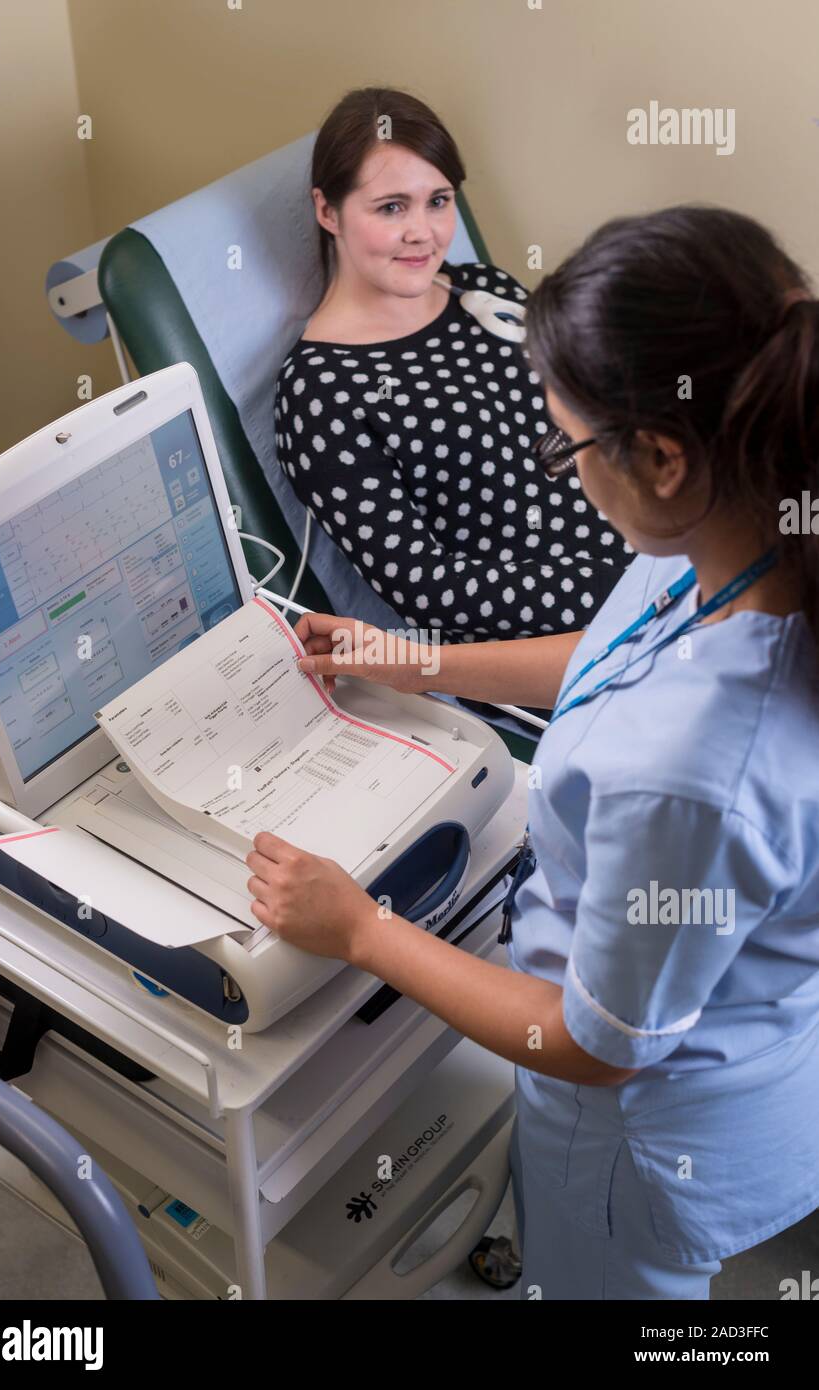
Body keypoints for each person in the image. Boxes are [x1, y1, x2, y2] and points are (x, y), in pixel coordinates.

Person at [249, 205, 819, 1299]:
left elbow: (600, 1044)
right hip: (745, 1026)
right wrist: (413, 658)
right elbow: (614, 660)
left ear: (657, 454)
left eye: (563, 441)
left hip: (637, 1127)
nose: (557, 463)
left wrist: (361, 929)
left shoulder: (694, 774)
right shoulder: (738, 529)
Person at [274, 87, 632, 644]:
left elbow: (599, 414)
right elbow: (430, 589)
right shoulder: (320, 393)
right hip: (554, 643)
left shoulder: (485, 288)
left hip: (661, 564)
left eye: (438, 201)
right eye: (392, 207)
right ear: (328, 210)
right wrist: (625, 594)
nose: (424, 231)